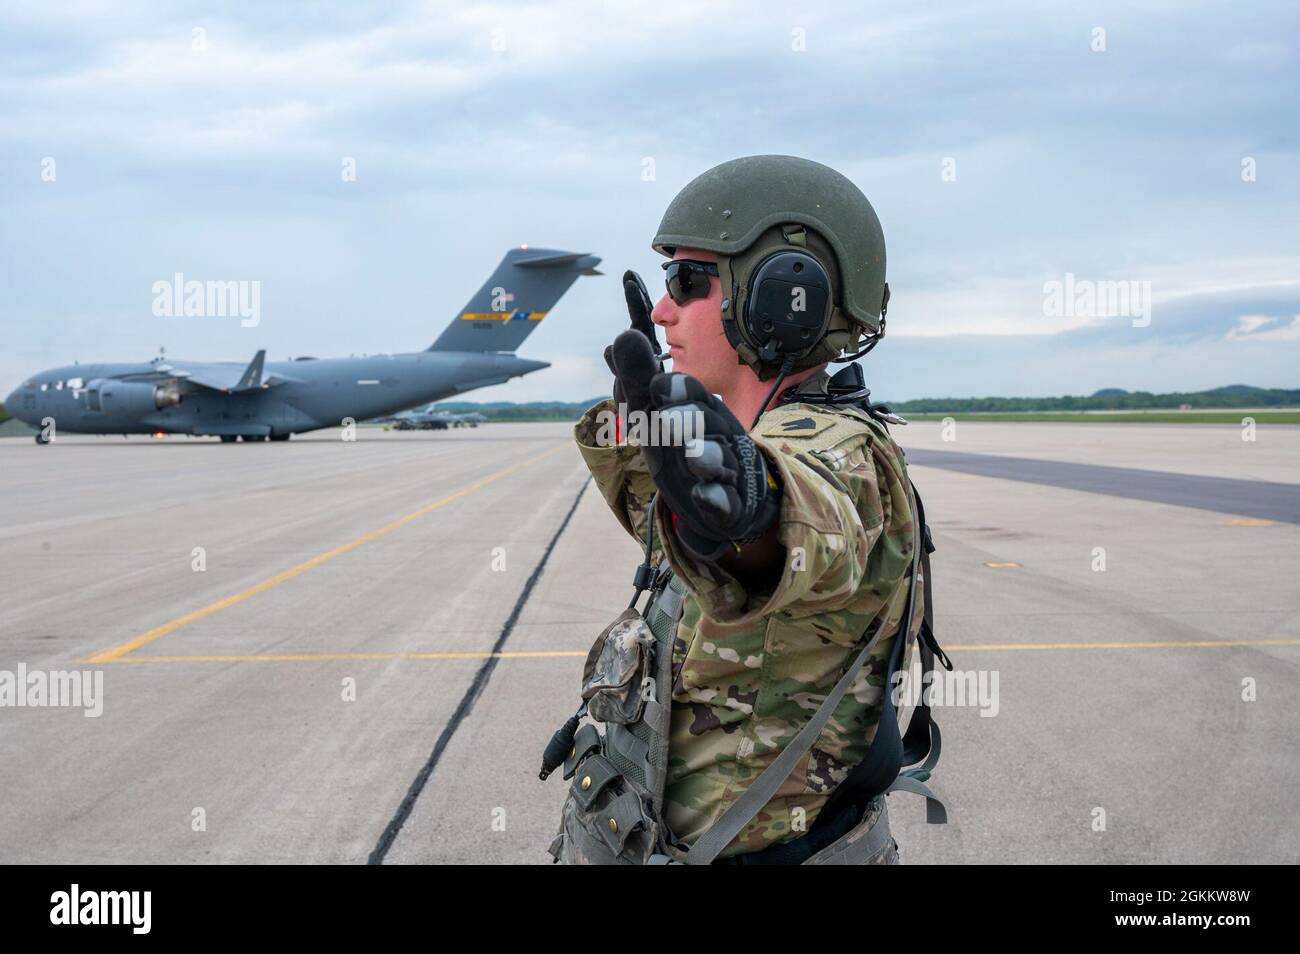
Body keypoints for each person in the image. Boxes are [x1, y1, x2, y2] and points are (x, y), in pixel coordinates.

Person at [543, 155, 948, 865]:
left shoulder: (842, 453)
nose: (663, 309)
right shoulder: (745, 441)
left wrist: (752, 510)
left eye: (687, 281)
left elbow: (795, 515)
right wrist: (649, 417)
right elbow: (675, 523)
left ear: (781, 295)